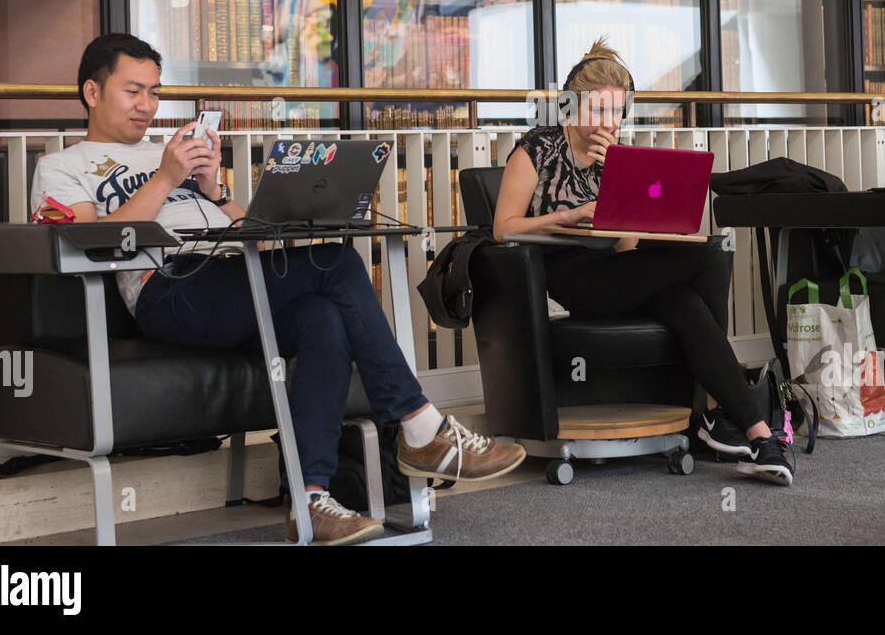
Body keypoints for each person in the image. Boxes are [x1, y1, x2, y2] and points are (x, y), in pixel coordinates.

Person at [30, 34, 525, 545]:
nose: (147, 106)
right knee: (334, 259)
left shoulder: (172, 157)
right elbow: (93, 247)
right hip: (170, 291)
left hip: (231, 284)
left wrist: (213, 192)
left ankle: (311, 501)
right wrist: (164, 178)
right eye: (134, 91)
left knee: (323, 319)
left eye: (155, 92)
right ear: (92, 91)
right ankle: (420, 428)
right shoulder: (62, 167)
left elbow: (256, 241)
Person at [491, 39, 793, 485]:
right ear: (570, 107)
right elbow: (503, 227)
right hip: (570, 278)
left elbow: (626, 249)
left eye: (617, 113)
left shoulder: (615, 154)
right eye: (597, 111)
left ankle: (761, 437)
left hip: (616, 273)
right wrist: (571, 215)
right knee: (705, 258)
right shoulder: (537, 150)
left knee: (688, 299)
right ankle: (710, 410)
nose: (608, 123)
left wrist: (619, 180)